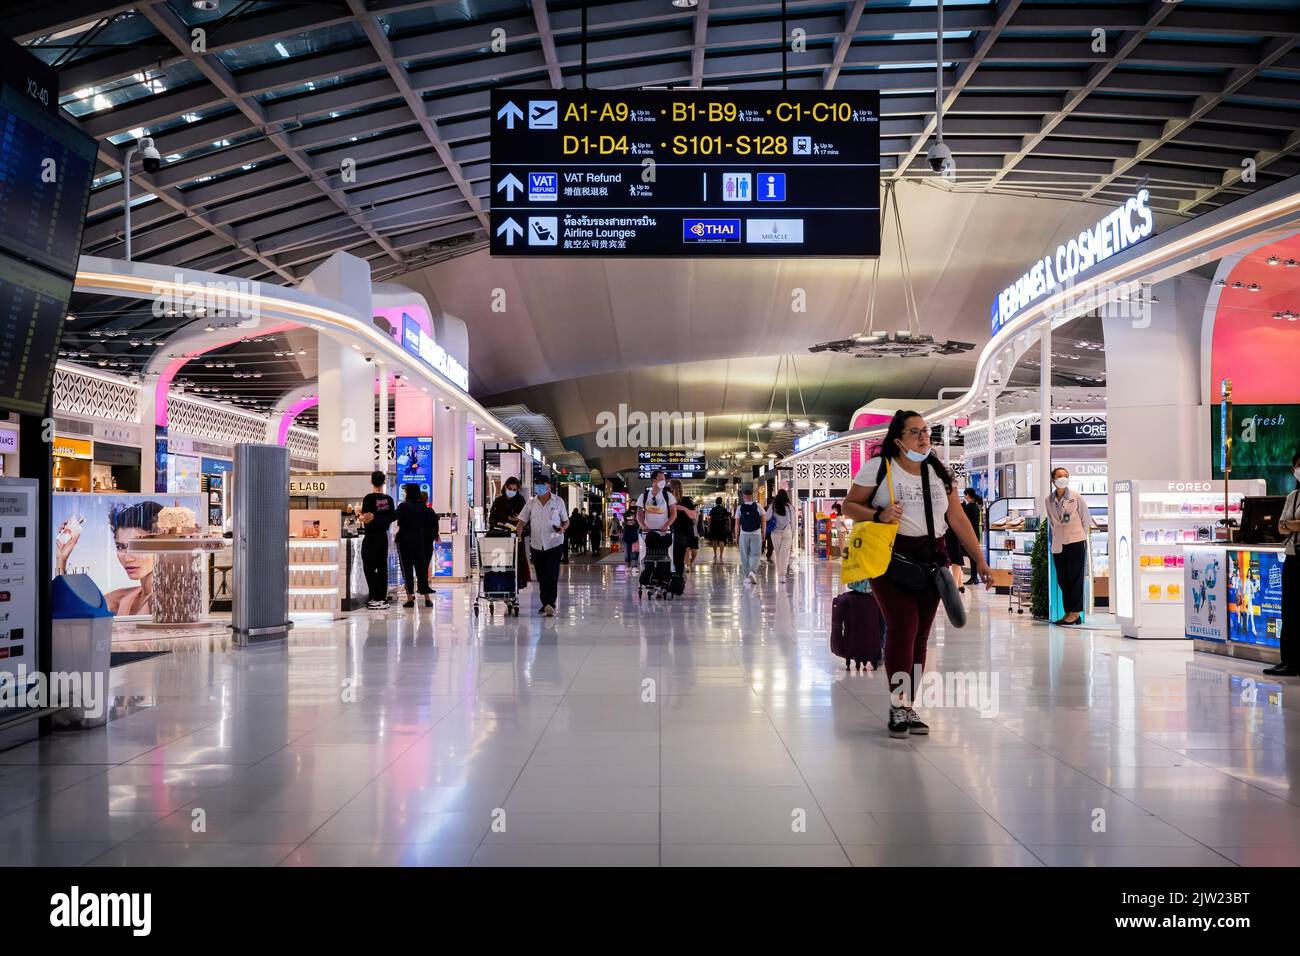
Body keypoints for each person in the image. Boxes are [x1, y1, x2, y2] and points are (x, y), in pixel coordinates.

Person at [843, 410, 990, 738]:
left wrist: (979, 560)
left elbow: (957, 518)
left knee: (922, 635)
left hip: (932, 559)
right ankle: (898, 704)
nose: (924, 437)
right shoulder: (879, 468)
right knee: (903, 627)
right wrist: (878, 514)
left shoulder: (938, 471)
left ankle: (908, 705)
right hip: (890, 557)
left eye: (926, 431)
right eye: (915, 432)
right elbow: (849, 506)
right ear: (898, 439)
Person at [56, 500, 164, 615]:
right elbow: (68, 615)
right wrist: (61, 559)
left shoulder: (167, 599)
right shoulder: (120, 599)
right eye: (120, 547)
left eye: (137, 546)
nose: (128, 558)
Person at [1045, 466, 1096, 626]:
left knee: (1076, 578)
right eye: (1059, 476)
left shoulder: (1076, 497)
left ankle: (1076, 613)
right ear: (1053, 480)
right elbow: (1052, 522)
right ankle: (1068, 612)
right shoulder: (1049, 500)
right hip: (1059, 543)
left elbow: (1085, 518)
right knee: (1063, 579)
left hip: (1075, 542)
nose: (1063, 478)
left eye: (1065, 475)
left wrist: (1078, 533)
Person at [1264, 451, 1300, 677]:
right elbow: (1281, 527)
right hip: (1294, 556)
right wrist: (1292, 524)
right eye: (1298, 465)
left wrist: (1291, 524)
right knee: (1289, 610)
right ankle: (1288, 661)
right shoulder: (1292, 496)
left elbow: (1290, 525)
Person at [514, 476, 569, 616]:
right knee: (541, 576)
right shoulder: (531, 503)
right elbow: (521, 521)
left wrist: (563, 528)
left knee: (551, 574)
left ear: (549, 486)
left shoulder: (558, 501)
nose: (538, 487)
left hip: (554, 543)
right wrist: (517, 535)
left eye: (541, 484)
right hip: (537, 544)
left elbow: (566, 521)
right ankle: (545, 603)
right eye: (537, 484)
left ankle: (550, 603)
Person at [359, 470, 397, 609]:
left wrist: (366, 517)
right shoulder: (389, 499)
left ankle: (377, 596)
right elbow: (393, 516)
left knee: (368, 567)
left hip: (371, 536)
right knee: (382, 567)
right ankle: (380, 597)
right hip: (383, 537)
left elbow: (366, 517)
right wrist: (381, 519)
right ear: (384, 482)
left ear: (371, 481)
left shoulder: (368, 498)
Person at [394, 483, 433, 608]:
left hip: (404, 540)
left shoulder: (403, 506)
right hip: (419, 541)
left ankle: (410, 598)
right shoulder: (423, 507)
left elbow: (393, 516)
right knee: (421, 569)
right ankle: (427, 598)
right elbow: (427, 527)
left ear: (408, 493)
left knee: (407, 569)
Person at [488, 476, 529, 589]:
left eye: (514, 489)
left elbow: (526, 519)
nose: (512, 491)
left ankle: (516, 584)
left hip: (516, 537)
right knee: (502, 563)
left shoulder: (520, 501)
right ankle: (501, 584)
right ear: (505, 487)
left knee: (516, 563)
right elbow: (492, 519)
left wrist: (518, 521)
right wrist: (500, 523)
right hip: (500, 538)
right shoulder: (498, 501)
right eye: (510, 488)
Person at [636, 470, 677, 564]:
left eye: (664, 479)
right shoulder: (644, 496)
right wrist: (643, 525)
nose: (664, 482)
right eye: (661, 479)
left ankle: (662, 576)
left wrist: (667, 525)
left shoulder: (668, 496)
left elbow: (674, 513)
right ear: (654, 480)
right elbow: (639, 514)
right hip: (648, 534)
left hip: (664, 534)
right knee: (648, 560)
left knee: (664, 560)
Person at [733, 484, 766, 585]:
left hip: (744, 534)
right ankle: (752, 571)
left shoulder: (740, 508)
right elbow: (764, 521)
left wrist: (736, 536)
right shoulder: (758, 506)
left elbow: (737, 523)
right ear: (752, 496)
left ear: (743, 497)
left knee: (744, 555)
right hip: (756, 533)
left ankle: (747, 575)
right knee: (755, 554)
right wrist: (763, 533)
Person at [766, 489, 796, 583]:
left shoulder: (773, 506)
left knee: (778, 553)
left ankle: (780, 574)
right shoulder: (790, 507)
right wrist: (793, 534)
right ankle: (782, 574)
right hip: (787, 532)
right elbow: (793, 521)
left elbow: (767, 517)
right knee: (785, 553)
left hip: (775, 532)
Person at [669, 479, 697, 575]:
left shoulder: (685, 500)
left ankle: (679, 576)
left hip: (684, 532)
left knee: (680, 556)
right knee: (672, 555)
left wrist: (683, 508)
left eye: (670, 487)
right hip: (670, 531)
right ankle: (674, 576)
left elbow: (693, 515)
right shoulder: (667, 501)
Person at [961, 489, 983, 585]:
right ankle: (974, 577)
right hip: (975, 534)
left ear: (968, 495)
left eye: (965, 495)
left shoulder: (969, 507)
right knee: (972, 556)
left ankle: (973, 577)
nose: (965, 496)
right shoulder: (976, 507)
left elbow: (963, 520)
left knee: (970, 556)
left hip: (969, 535)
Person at [420, 489, 439, 595]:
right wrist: (436, 535)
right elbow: (435, 525)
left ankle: (420, 585)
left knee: (419, 565)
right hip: (427, 541)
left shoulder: (417, 511)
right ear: (427, 499)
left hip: (418, 541)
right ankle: (423, 586)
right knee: (425, 564)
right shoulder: (429, 511)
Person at [707, 496, 731, 561]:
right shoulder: (724, 509)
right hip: (722, 527)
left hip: (714, 526)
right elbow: (728, 518)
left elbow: (710, 518)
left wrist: (709, 527)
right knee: (721, 541)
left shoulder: (713, 509)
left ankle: (715, 554)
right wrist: (728, 527)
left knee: (714, 540)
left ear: (716, 502)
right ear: (721, 502)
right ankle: (721, 555)